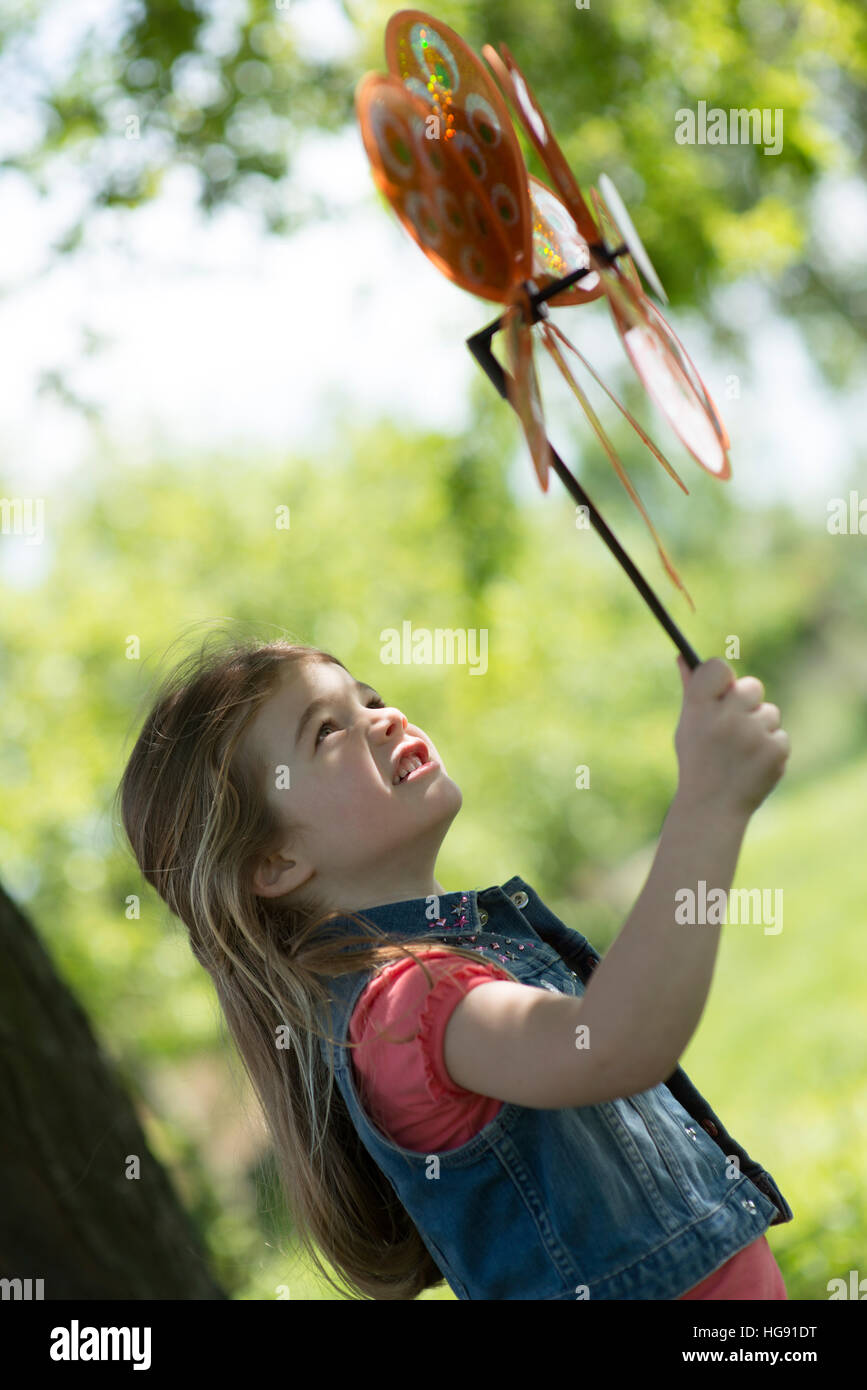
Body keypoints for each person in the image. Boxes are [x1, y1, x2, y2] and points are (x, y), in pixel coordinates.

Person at [117, 631, 792, 1300]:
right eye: (326, 732)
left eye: (370, 698)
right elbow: (613, 1042)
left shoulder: (452, 963)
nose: (383, 719)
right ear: (275, 862)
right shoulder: (404, 1009)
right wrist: (709, 802)